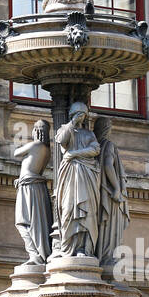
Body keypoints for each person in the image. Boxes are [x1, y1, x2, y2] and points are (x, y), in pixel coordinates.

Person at [53, 102, 101, 258]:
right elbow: (60, 140)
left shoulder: (89, 134)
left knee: (86, 211)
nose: (82, 117)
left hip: (87, 174)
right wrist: (71, 123)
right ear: (73, 114)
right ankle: (66, 247)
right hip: (69, 173)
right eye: (79, 114)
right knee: (68, 208)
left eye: (84, 115)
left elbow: (95, 149)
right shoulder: (65, 129)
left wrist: (75, 153)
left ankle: (82, 248)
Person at [13, 120, 53, 265]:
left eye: (35, 129)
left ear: (36, 131)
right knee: (36, 223)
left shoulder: (35, 145)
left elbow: (16, 153)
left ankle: (34, 254)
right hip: (35, 186)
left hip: (28, 188)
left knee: (22, 222)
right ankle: (37, 253)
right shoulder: (47, 150)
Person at [95, 114, 130, 265]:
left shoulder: (94, 147)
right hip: (110, 194)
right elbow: (108, 165)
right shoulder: (108, 145)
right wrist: (116, 188)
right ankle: (108, 256)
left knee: (103, 225)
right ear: (107, 129)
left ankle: (103, 254)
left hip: (99, 193)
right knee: (111, 226)